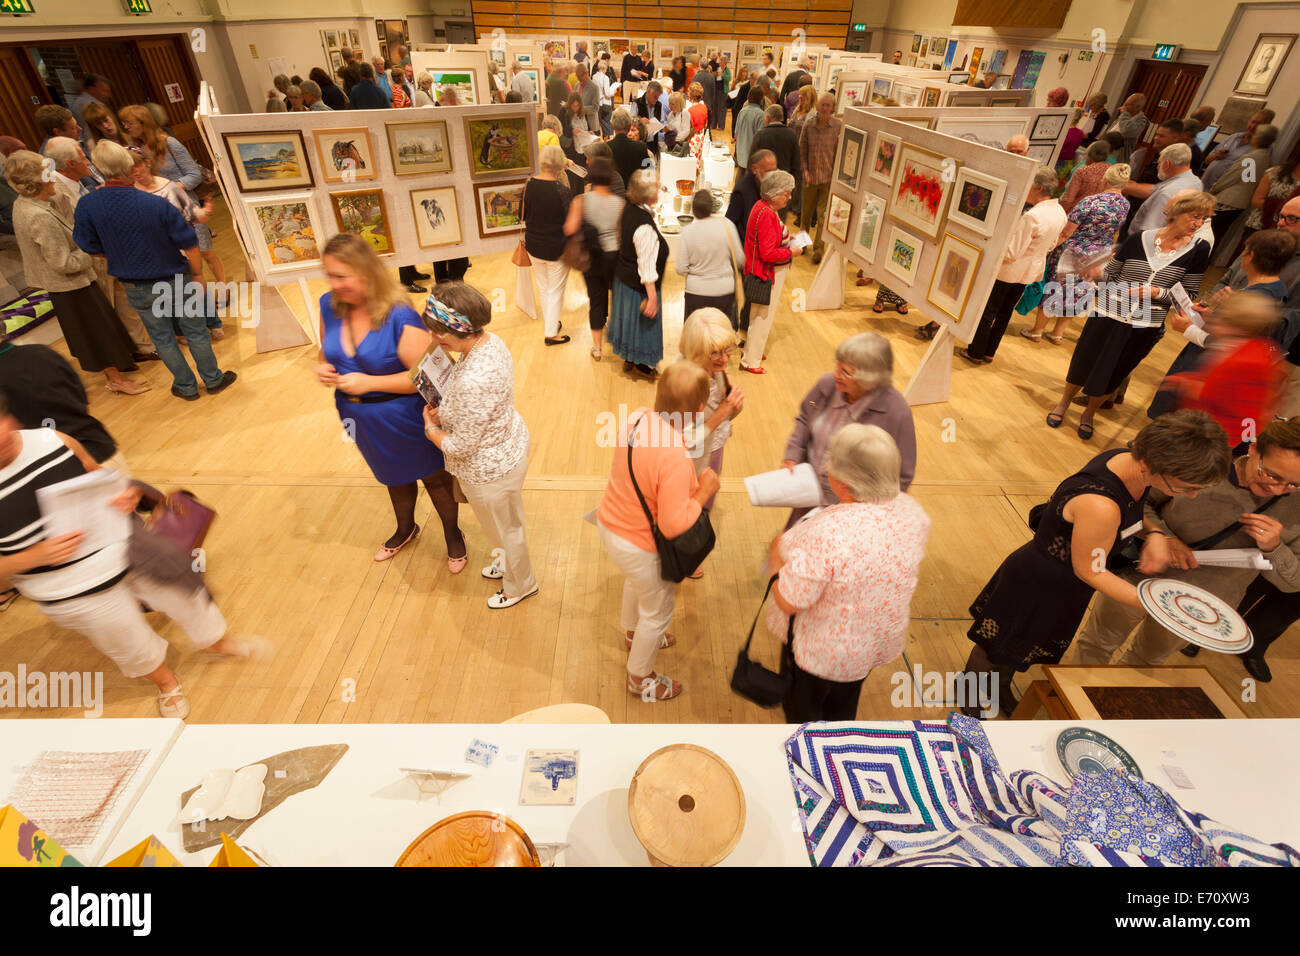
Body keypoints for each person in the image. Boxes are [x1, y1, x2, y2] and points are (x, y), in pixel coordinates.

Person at [0, 396, 267, 718]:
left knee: (187, 596)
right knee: (124, 637)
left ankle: (218, 642)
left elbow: (95, 477)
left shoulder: (53, 439)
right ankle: (167, 683)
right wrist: (31, 556)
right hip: (67, 588)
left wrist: (123, 494)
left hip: (129, 549)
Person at [964, 410, 1230, 715]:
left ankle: (997, 687)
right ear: (1148, 465)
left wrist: (1156, 532)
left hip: (1065, 586)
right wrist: (1163, 609)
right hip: (1041, 582)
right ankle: (970, 695)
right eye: (1185, 487)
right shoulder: (1100, 505)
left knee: (1017, 647)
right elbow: (1090, 570)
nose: (1192, 496)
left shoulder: (1125, 461)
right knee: (997, 644)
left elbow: (1131, 510)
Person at [1074, 416, 1300, 683]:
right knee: (1097, 644)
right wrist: (1162, 536)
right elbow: (1137, 501)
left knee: (1147, 661)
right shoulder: (1204, 466)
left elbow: (1293, 584)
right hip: (1142, 574)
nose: (1276, 489)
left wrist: (1275, 548)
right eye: (1271, 474)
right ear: (1253, 448)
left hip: (1204, 604)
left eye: (1293, 485)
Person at [312, 233, 465, 571]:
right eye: (329, 275)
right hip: (359, 417)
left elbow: (428, 378)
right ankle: (405, 528)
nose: (333, 284)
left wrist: (369, 382)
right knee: (392, 477)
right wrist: (323, 365)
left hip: (406, 416)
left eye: (341, 276)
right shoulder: (328, 304)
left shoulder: (399, 315)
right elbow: (327, 348)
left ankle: (454, 535)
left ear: (366, 272)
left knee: (435, 478)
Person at [769, 424, 929, 722]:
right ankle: (838, 751)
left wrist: (776, 565)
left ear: (840, 480)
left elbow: (791, 601)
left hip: (820, 655)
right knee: (842, 709)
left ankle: (807, 757)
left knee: (803, 716)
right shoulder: (913, 514)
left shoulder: (827, 530)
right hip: (869, 646)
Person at [596, 361, 720, 701]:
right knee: (658, 612)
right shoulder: (676, 457)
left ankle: (632, 634)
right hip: (641, 545)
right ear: (698, 409)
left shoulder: (636, 418)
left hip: (610, 524)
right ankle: (641, 678)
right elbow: (673, 523)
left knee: (634, 584)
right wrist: (705, 491)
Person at [74, 141, 235, 400]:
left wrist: (118, 253)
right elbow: (189, 243)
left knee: (163, 338)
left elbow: (89, 246)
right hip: (176, 278)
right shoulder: (154, 204)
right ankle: (213, 380)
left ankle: (185, 387)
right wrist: (197, 275)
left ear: (100, 169)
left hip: (134, 285)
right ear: (129, 167)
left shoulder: (88, 205)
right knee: (195, 331)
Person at [1048, 191, 1214, 439]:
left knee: (1117, 369)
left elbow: (1187, 293)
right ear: (1176, 214)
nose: (1199, 224)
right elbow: (1112, 274)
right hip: (1109, 311)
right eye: (1195, 216)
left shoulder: (1199, 250)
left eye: (1205, 219)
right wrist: (1094, 273)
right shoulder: (1139, 239)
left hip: (1146, 322)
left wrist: (1157, 291)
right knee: (1085, 359)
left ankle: (1089, 413)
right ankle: (1063, 403)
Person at [419, 282, 537, 609]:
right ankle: (505, 561)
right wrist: (453, 409)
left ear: (455, 331)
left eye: (437, 333)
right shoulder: (489, 341)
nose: (434, 340)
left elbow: (459, 446)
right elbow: (479, 406)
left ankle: (519, 585)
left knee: (507, 532)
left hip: (491, 471)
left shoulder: (475, 378)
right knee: (501, 529)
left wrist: (431, 429)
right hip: (506, 445)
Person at [5, 151, 147, 395]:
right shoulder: (38, 216)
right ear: (37, 182)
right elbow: (63, 263)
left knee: (100, 329)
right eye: (49, 175)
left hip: (68, 285)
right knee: (96, 333)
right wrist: (94, 253)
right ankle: (115, 379)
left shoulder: (26, 204)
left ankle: (117, 372)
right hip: (70, 285)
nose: (54, 180)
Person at [782, 332, 916, 525]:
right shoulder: (827, 385)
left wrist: (874, 518)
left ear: (870, 378)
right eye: (837, 366)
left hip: (853, 517)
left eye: (845, 371)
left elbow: (902, 476)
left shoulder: (896, 411)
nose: (836, 375)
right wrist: (792, 456)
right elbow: (804, 419)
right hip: (809, 498)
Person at [955, 167, 1068, 364]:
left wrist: (995, 248)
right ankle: (989, 352)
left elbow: (1011, 252)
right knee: (1005, 311)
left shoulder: (1033, 216)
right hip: (1031, 271)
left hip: (1009, 271)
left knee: (988, 310)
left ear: (1039, 188)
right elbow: (1051, 244)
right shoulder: (1059, 211)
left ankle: (975, 352)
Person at [118, 104, 225, 293]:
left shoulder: (169, 143)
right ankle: (204, 299)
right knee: (186, 258)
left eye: (129, 122)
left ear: (143, 122)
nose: (126, 127)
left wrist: (169, 189)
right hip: (159, 210)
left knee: (205, 251)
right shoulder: (136, 150)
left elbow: (194, 174)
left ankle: (223, 288)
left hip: (185, 205)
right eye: (123, 123)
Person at [1022, 162, 1131, 344]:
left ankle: (1037, 331)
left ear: (1105, 180)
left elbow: (1066, 232)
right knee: (1079, 293)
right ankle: (1057, 334)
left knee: (1055, 290)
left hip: (1073, 253)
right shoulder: (1125, 205)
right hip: (1098, 256)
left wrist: (1049, 248)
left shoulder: (1090, 201)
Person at [1165, 290, 1287, 441]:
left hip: (1217, 434)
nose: (1216, 322)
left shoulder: (1249, 360)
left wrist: (1187, 385)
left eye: (1222, 318)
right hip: (1203, 425)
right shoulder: (1242, 346)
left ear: (1238, 327)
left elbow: (1231, 402)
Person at [678, 308, 744, 504]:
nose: (724, 359)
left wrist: (732, 402)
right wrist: (723, 412)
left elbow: (726, 413)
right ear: (696, 350)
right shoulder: (683, 383)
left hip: (714, 445)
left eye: (728, 350)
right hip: (695, 457)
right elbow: (683, 440)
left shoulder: (714, 370)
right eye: (714, 353)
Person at [740, 170, 802, 372]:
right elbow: (767, 253)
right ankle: (751, 360)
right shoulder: (767, 214)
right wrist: (791, 252)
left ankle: (751, 351)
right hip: (765, 273)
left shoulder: (762, 207)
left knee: (757, 315)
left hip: (760, 270)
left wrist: (786, 238)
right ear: (775, 194)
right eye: (786, 193)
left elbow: (769, 239)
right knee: (762, 318)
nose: (789, 197)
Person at [608, 168, 668, 377]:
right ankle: (642, 364)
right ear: (651, 195)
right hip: (638, 286)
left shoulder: (628, 208)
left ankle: (629, 358)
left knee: (629, 325)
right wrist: (652, 297)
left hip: (624, 280)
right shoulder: (645, 227)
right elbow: (646, 266)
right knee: (643, 328)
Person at [563, 156, 621, 360]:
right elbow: (622, 233)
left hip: (592, 256)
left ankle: (597, 348)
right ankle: (620, 340)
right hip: (614, 256)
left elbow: (569, 228)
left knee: (596, 301)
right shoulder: (619, 203)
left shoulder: (581, 201)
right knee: (617, 298)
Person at [523, 144, 573, 346]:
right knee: (555, 290)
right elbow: (570, 222)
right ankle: (551, 333)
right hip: (557, 249)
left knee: (545, 288)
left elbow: (522, 214)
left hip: (534, 245)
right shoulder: (562, 191)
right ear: (560, 164)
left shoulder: (530, 185)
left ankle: (551, 323)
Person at [675, 189, 744, 324]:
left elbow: (680, 268)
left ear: (693, 210)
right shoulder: (727, 225)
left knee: (697, 337)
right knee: (721, 336)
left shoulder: (688, 231)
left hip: (695, 292)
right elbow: (740, 259)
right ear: (711, 207)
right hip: (724, 291)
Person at [1207, 124, 1280, 245]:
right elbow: (1248, 179)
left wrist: (1213, 190)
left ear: (1258, 138)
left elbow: (1230, 178)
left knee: (1211, 234)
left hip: (1228, 201)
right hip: (1236, 202)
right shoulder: (1264, 156)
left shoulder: (1251, 157)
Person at [798, 93, 841, 265]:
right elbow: (802, 150)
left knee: (823, 216)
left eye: (828, 105)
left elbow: (840, 153)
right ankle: (802, 244)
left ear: (833, 108)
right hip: (810, 178)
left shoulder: (838, 126)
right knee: (806, 215)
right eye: (822, 105)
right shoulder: (808, 125)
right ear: (817, 106)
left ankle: (818, 249)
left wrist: (835, 174)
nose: (824, 108)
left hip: (828, 178)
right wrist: (805, 170)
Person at [1200, 108, 1275, 191]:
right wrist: (1216, 156)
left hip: (1223, 193)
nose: (1253, 126)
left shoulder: (1263, 148)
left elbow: (1249, 178)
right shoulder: (1234, 137)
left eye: (1259, 124)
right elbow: (1206, 160)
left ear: (1265, 127)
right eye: (1253, 122)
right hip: (1203, 186)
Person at [749, 104, 800, 218]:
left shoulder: (760, 135)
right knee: (778, 224)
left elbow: (751, 164)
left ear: (767, 119)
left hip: (763, 189)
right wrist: (794, 192)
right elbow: (796, 165)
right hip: (782, 191)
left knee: (761, 220)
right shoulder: (791, 135)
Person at [1244, 155, 1300, 234]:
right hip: (1258, 225)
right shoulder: (1276, 172)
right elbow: (1256, 201)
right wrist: (1280, 206)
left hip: (1287, 232)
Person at [1061, 140, 1116, 212]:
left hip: (1078, 212)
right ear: (1106, 157)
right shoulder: (1113, 171)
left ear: (1089, 155)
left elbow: (1068, 199)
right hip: (1099, 213)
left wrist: (1062, 213)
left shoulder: (1082, 171)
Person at [608, 109, 650, 192]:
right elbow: (648, 173)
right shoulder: (641, 147)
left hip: (613, 197)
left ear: (611, 126)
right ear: (629, 125)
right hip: (635, 196)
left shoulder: (606, 148)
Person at [1106, 93, 1148, 162]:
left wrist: (1124, 113)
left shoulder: (1141, 120)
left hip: (1118, 156)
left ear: (1137, 107)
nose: (1124, 106)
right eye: (1124, 103)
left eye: (1127, 104)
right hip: (1107, 151)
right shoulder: (1124, 116)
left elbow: (1126, 131)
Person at [733, 87, 767, 169]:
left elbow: (736, 135)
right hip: (753, 156)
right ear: (761, 98)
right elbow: (760, 138)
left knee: (739, 178)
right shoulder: (761, 115)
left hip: (740, 153)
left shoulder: (742, 111)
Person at [631, 80, 669, 156]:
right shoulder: (637, 103)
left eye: (658, 97)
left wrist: (663, 128)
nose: (656, 99)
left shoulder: (659, 105)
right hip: (639, 142)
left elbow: (660, 122)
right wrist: (640, 120)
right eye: (655, 97)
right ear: (648, 92)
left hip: (653, 143)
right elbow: (630, 122)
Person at [70, 73, 111, 139]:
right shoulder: (93, 104)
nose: (108, 95)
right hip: (98, 138)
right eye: (104, 91)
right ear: (91, 89)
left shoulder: (78, 101)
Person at [592, 58, 615, 135]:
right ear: (604, 68)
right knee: (606, 122)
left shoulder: (594, 77)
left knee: (598, 122)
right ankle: (609, 139)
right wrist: (613, 91)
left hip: (597, 103)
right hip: (605, 103)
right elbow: (607, 94)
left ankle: (599, 139)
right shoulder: (605, 78)